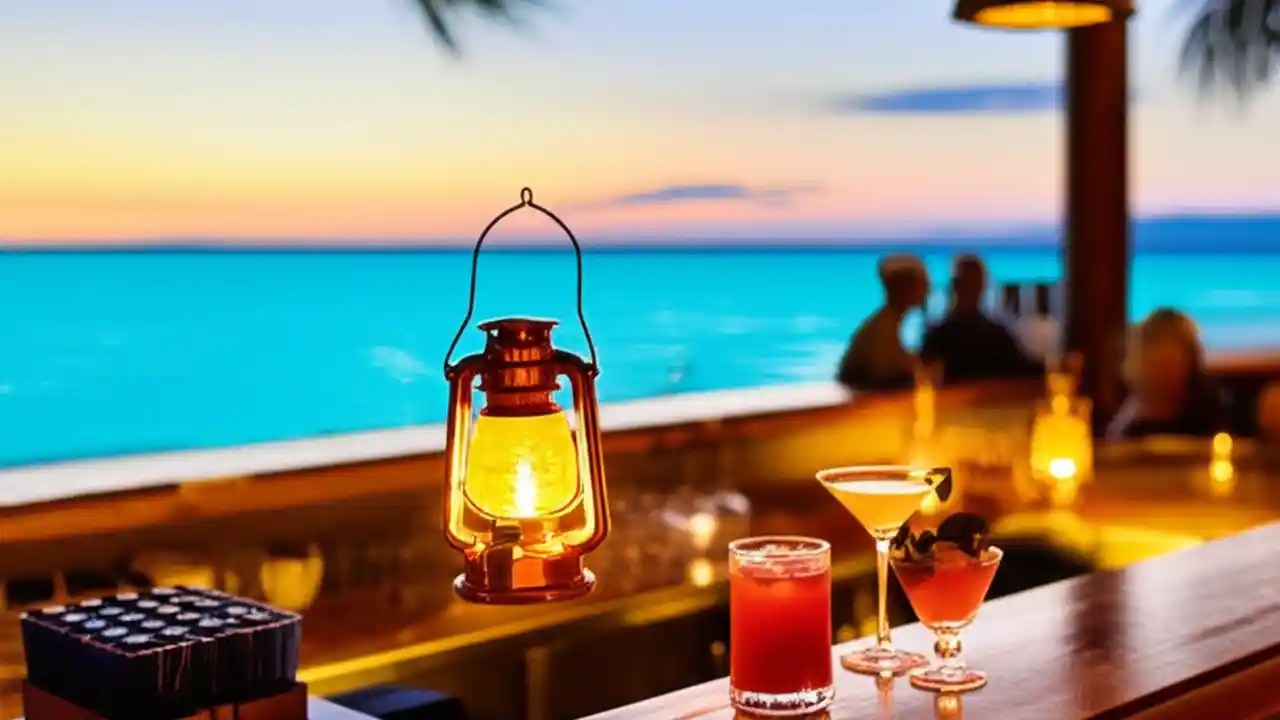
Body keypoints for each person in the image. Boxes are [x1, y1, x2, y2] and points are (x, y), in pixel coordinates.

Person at [1107, 308, 1226, 439]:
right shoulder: (1128, 421)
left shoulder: (1207, 413)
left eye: (1172, 364)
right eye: (1159, 364)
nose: (1165, 375)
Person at [920, 255, 1040, 384]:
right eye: (970, 282)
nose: (974, 289)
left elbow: (1026, 368)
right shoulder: (995, 335)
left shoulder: (997, 336)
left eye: (975, 282)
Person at [836, 255, 928, 391]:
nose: (927, 290)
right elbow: (883, 376)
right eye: (923, 285)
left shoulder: (884, 323)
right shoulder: (883, 328)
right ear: (906, 289)